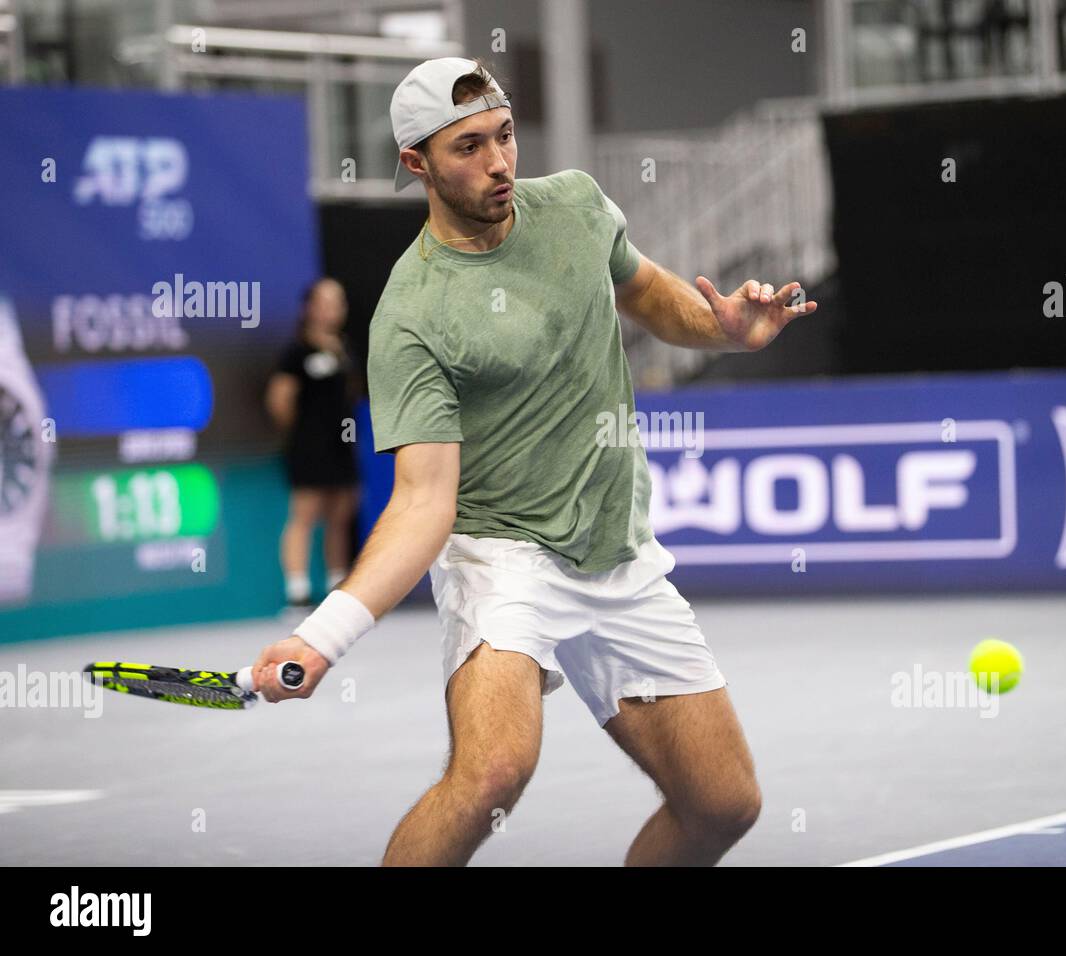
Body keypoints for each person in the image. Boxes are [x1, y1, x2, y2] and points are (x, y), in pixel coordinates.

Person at [252, 56, 817, 866]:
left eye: (506, 136)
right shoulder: (411, 315)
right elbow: (421, 504)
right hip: (502, 554)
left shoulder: (578, 207)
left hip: (616, 548)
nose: (499, 164)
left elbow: (650, 293)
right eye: (469, 148)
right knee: (491, 774)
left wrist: (720, 327)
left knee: (723, 804)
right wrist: (322, 637)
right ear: (416, 163)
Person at [265, 277, 361, 609]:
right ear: (309, 308)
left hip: (342, 446)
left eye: (339, 302)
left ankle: (337, 583)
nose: (333, 310)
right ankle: (297, 591)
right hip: (308, 447)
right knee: (304, 515)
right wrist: (305, 433)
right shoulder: (297, 351)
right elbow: (280, 399)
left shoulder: (344, 347)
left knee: (341, 514)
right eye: (325, 302)